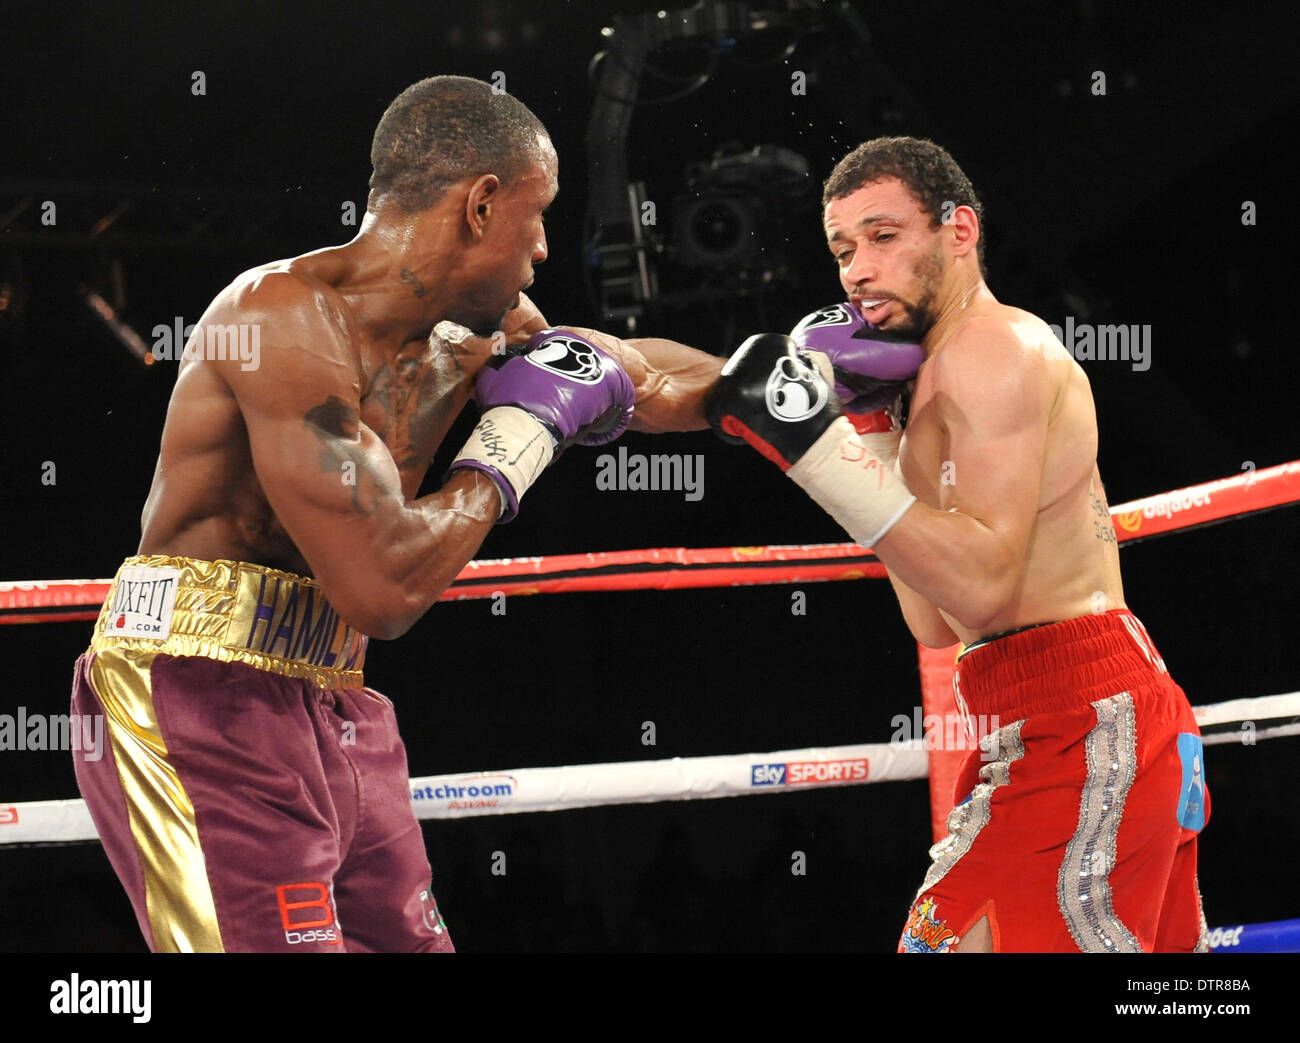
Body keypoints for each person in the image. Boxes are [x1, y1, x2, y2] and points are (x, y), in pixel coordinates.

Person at [68, 75, 716, 953]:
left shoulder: (478, 329)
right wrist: (514, 443)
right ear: (482, 205)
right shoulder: (278, 321)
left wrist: (806, 386)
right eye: (539, 214)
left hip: (334, 689)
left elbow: (643, 379)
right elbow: (383, 587)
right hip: (197, 687)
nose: (544, 250)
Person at [706, 136, 1209, 953]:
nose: (858, 270)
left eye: (884, 235)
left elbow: (977, 592)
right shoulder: (922, 386)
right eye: (842, 250)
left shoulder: (993, 349)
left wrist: (811, 449)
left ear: (960, 231)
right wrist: (865, 434)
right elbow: (939, 622)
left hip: (1086, 721)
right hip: (1039, 719)